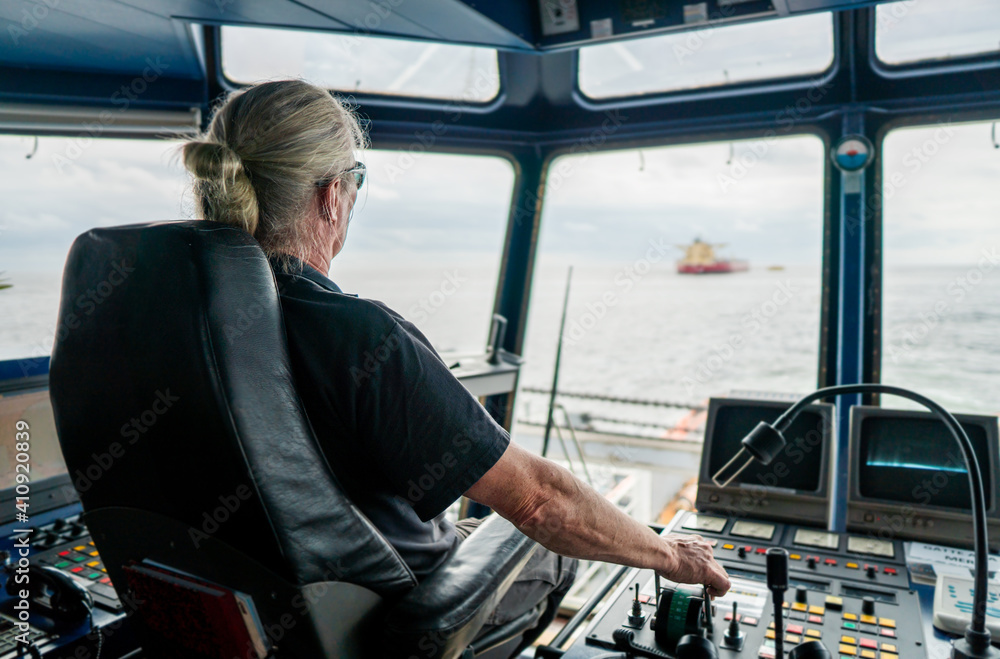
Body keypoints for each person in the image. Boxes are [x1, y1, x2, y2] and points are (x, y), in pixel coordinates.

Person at [181, 79, 730, 651]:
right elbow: (540, 500)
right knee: (547, 550)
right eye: (355, 183)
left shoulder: (174, 320)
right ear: (331, 196)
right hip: (373, 612)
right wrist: (670, 553)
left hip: (233, 596)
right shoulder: (358, 335)